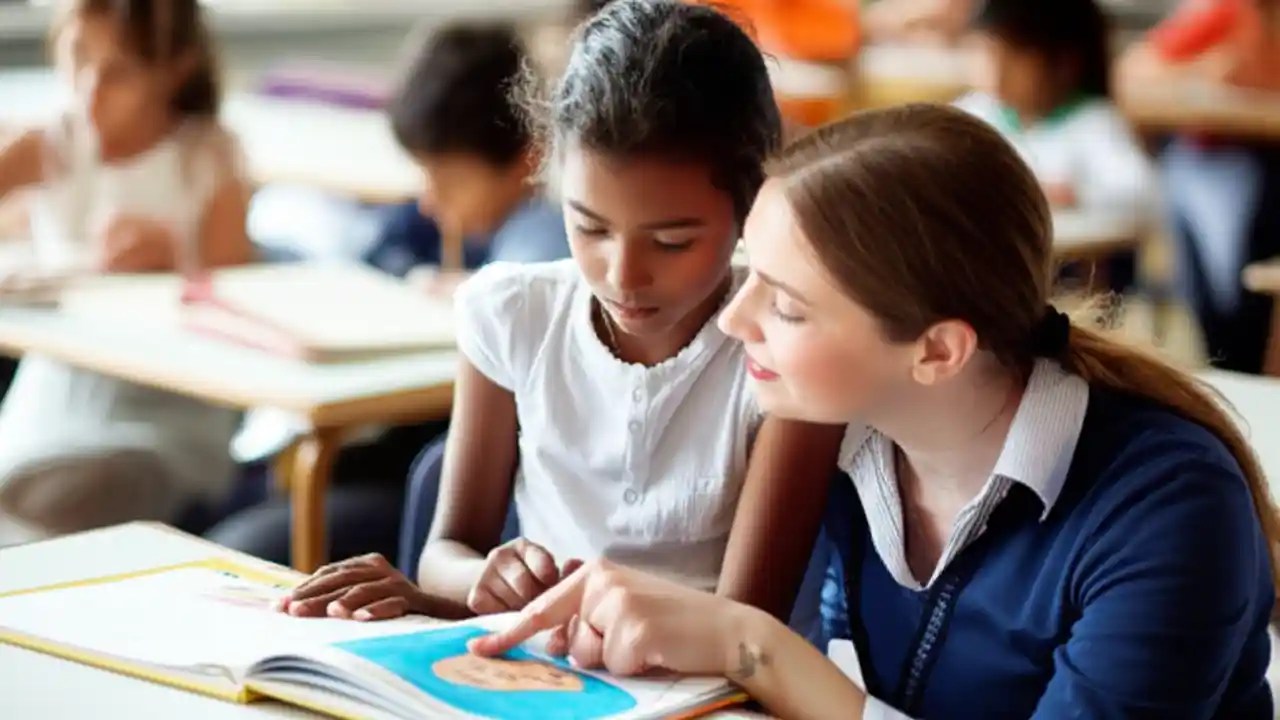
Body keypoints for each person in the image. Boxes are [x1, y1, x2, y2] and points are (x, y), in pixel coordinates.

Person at [473, 103, 1279, 720]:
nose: (732, 319)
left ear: (936, 352)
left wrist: (748, 647)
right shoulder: (850, 451)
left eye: (785, 306)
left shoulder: (1166, 508)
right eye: (751, 273)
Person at [277, 0, 842, 639]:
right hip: (548, 670)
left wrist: (541, 606)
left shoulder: (782, 356)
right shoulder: (514, 315)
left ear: (752, 208)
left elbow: (745, 628)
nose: (623, 276)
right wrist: (484, 577)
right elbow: (446, 552)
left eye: (672, 241)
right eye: (589, 226)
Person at [205, 21, 571, 566]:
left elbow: (527, 306)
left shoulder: (538, 238)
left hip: (427, 482)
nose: (429, 199)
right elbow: (377, 254)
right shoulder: (440, 222)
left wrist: (470, 296)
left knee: (243, 543)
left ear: (526, 158)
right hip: (376, 455)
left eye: (446, 179)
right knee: (235, 509)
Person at [0, 0, 249, 543]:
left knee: (53, 504)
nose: (90, 87)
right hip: (53, 391)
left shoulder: (206, 157)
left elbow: (246, 304)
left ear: (175, 68)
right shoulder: (43, 144)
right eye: (78, 57)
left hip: (162, 407)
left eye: (120, 71)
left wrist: (180, 265)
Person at [1119, 0, 1280, 373]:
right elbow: (1135, 71)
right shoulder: (1229, 12)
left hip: (1265, 159)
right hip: (1221, 157)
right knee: (1232, 296)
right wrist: (1204, 72)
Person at [955, 0, 1154, 292]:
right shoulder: (975, 115)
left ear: (1063, 64)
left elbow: (1140, 194)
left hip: (1069, 272)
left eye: (1015, 57)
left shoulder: (1092, 122)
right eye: (988, 53)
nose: (998, 71)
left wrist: (1074, 191)